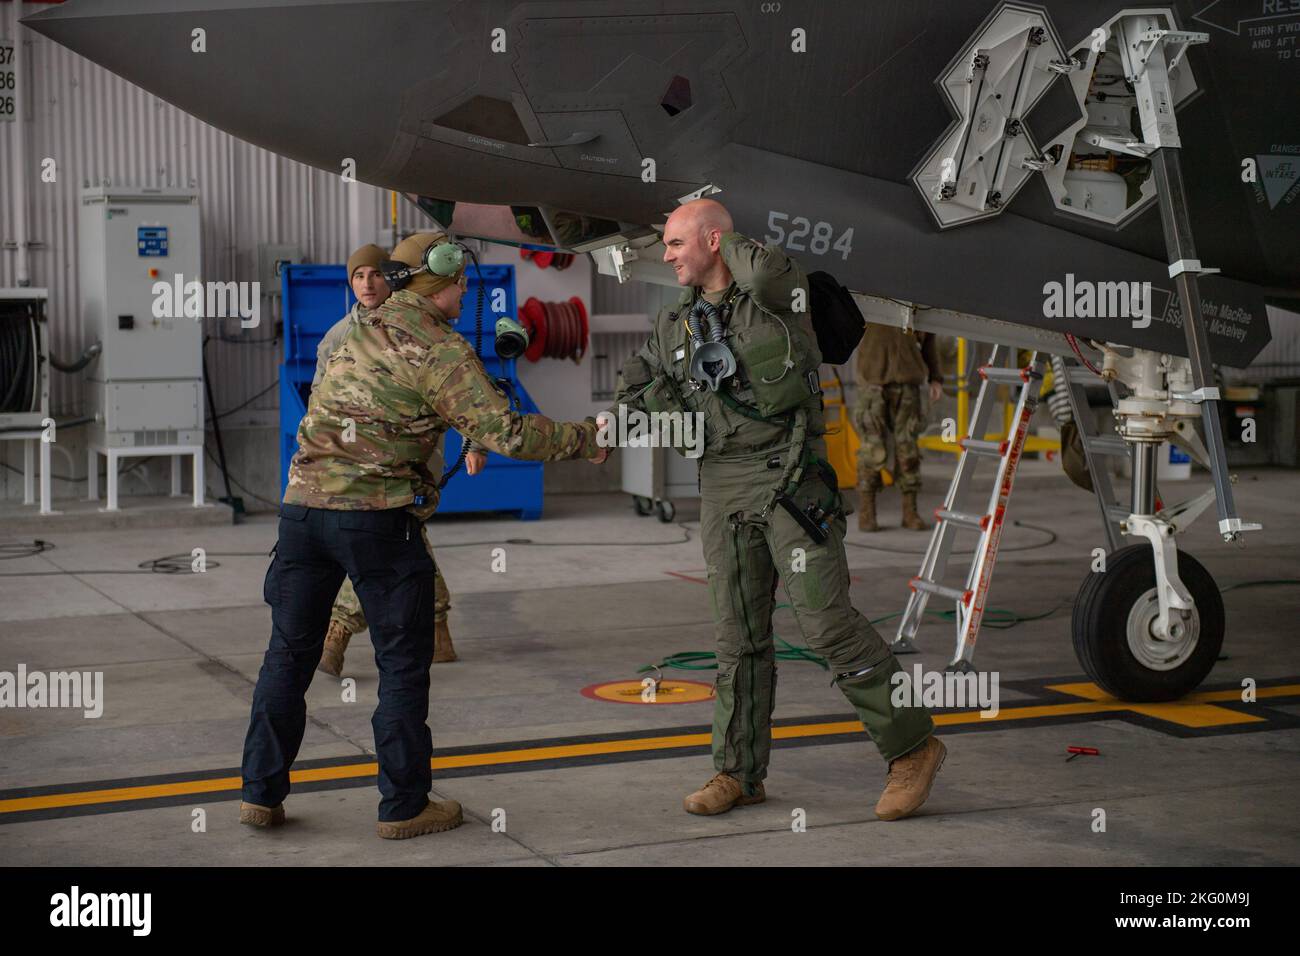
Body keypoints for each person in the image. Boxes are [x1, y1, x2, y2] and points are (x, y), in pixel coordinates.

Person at [240, 232, 606, 840]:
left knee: (286, 655)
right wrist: (587, 439)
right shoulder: (438, 346)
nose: (467, 290)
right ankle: (404, 806)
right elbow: (507, 433)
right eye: (463, 280)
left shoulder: (351, 329)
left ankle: (260, 794)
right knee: (403, 666)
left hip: (302, 512)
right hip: (378, 521)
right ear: (440, 280)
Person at [605, 200, 945, 822]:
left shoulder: (780, 299)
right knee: (738, 640)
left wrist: (727, 237)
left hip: (791, 482)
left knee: (827, 625)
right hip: (721, 490)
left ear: (716, 240)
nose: (668, 255)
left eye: (679, 243)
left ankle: (912, 748)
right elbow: (634, 386)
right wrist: (639, 417)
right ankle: (738, 772)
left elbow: (761, 275)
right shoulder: (673, 326)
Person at [311, 244, 485, 674]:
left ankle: (344, 627)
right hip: (359, 462)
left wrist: (474, 440)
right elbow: (319, 398)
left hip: (412, 457)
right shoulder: (338, 336)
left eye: (375, 274)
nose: (368, 284)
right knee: (395, 540)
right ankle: (430, 631)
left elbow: (459, 389)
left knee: (390, 539)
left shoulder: (420, 328)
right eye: (358, 276)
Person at [854, 324, 945, 532]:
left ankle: (909, 512)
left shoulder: (917, 300)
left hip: (907, 385)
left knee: (908, 450)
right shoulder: (870, 295)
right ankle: (867, 512)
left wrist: (936, 378)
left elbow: (929, 341)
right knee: (871, 449)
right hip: (872, 383)